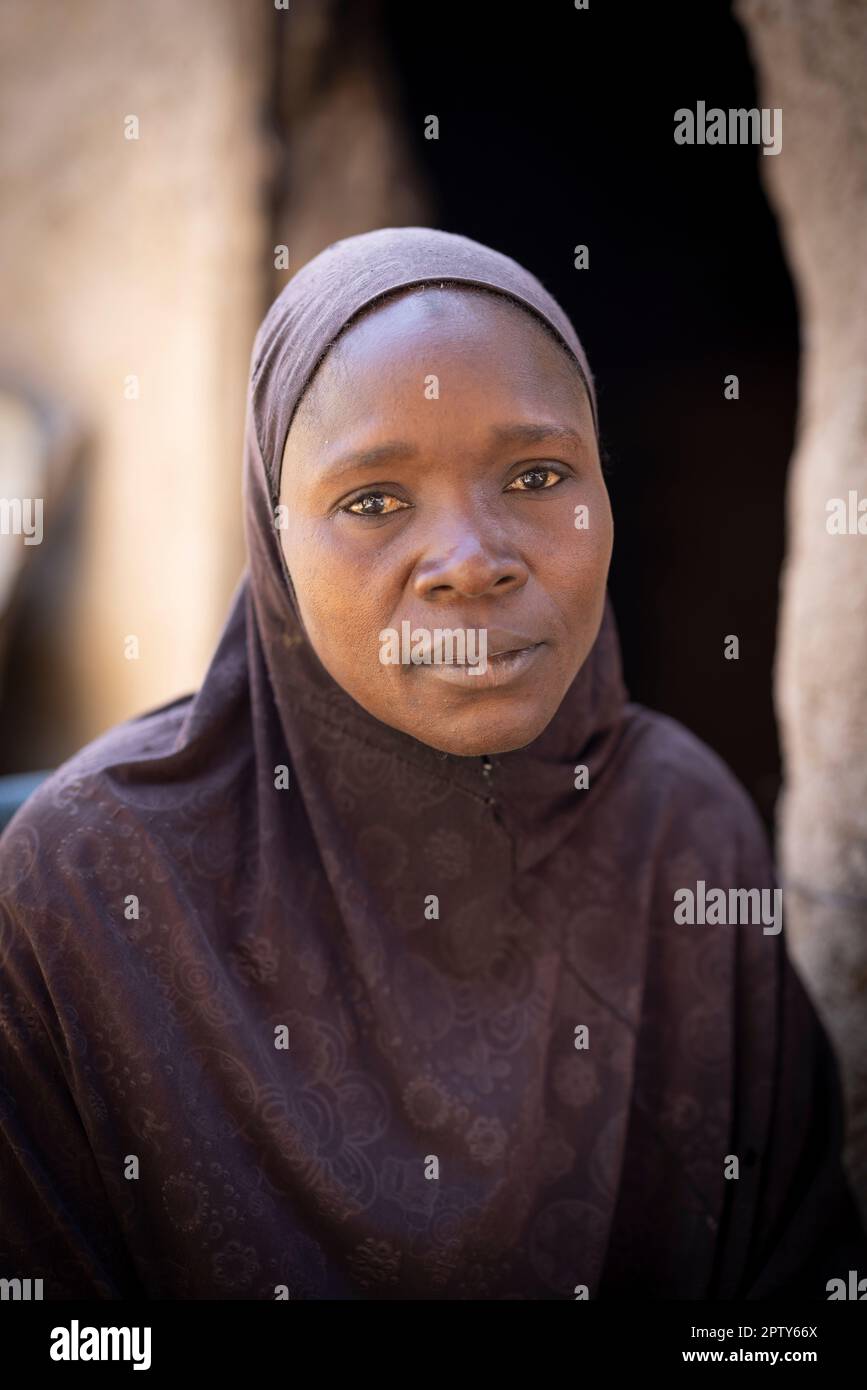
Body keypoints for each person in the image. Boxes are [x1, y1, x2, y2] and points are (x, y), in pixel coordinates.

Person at [0, 226, 864, 1300]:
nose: (471, 562)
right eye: (373, 501)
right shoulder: (84, 888)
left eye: (539, 474)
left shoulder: (679, 833)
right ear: (273, 535)